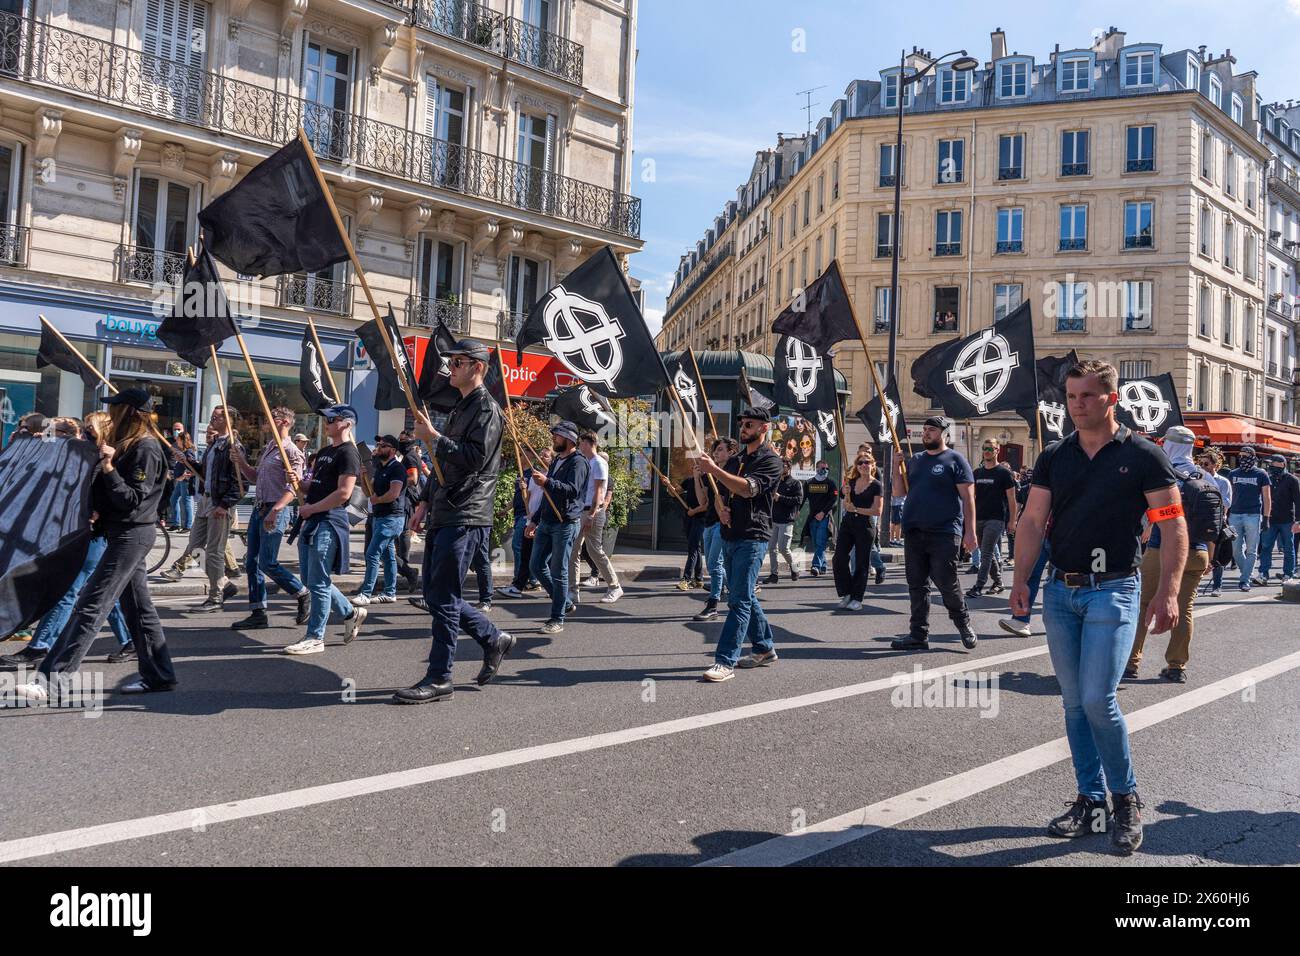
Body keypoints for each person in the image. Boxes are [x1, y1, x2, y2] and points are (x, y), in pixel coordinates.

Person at [1012, 359, 1186, 855]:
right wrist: (1021, 581)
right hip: (1061, 591)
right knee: (1072, 704)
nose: (1076, 405)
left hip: (1114, 588)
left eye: (1086, 396)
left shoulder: (1145, 455)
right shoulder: (1055, 456)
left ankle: (1125, 798)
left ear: (1111, 399)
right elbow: (1031, 521)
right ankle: (1089, 800)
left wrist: (1168, 591)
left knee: (1097, 699)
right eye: (1070, 397)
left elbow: (1172, 524)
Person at [16, 390, 176, 701]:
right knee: (139, 609)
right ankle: (159, 675)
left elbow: (132, 499)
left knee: (91, 604)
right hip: (120, 533)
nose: (109, 413)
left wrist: (109, 468)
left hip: (132, 535)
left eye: (114, 408)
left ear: (128, 411)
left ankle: (51, 681)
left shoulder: (145, 448)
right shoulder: (126, 445)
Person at [396, 339, 514, 703]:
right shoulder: (462, 406)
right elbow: (444, 463)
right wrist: (424, 502)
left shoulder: (486, 409)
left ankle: (440, 677)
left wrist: (434, 437)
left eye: (459, 362)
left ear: (478, 367)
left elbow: (474, 459)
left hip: (467, 513)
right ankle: (493, 637)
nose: (451, 368)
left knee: (444, 597)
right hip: (446, 508)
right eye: (451, 361)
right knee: (434, 594)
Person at [0, 413, 134, 670]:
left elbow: (110, 494)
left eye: (56, 432)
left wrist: (96, 510)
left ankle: (40, 646)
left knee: (68, 589)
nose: (49, 435)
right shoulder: (68, 458)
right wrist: (26, 444)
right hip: (74, 531)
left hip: (89, 533)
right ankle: (131, 639)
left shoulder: (96, 459)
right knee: (102, 591)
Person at [693, 407, 783, 681]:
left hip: (753, 537)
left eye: (750, 424)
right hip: (730, 534)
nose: (744, 428)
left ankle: (724, 661)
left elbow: (746, 488)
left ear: (764, 429)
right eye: (743, 423)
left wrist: (714, 469)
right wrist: (722, 509)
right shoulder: (737, 458)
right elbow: (724, 493)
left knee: (739, 600)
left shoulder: (771, 461)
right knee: (743, 596)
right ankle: (765, 647)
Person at [1124, 426, 1214, 684]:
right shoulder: (1205, 476)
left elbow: (1156, 510)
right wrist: (1210, 552)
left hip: (1163, 548)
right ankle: (1176, 666)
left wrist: (1152, 523)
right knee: (1184, 607)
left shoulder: (1161, 470)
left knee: (1142, 604)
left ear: (1168, 444)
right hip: (1198, 551)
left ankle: (1130, 663)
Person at [284, 404, 367, 655]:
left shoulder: (349, 453)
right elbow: (317, 485)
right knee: (311, 580)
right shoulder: (324, 452)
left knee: (318, 582)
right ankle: (350, 612)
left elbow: (343, 494)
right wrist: (300, 483)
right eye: (327, 418)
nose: (327, 422)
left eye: (333, 419)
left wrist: (312, 508)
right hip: (312, 519)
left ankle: (315, 637)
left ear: (347, 423)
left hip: (329, 521)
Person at [891, 416, 978, 651]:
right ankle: (918, 634)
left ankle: (964, 625)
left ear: (944, 433)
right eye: (925, 429)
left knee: (946, 583)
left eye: (932, 430)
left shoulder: (956, 460)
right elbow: (899, 492)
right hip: (915, 531)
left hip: (945, 531)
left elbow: (968, 500)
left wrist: (970, 532)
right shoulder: (916, 460)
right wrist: (895, 466)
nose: (927, 433)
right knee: (917, 585)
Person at [229, 406, 310, 630]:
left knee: (267, 562)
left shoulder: (291, 451)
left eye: (271, 418)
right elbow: (255, 477)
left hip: (275, 509)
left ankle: (301, 592)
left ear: (284, 422)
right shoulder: (270, 448)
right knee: (251, 563)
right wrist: (242, 463)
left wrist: (276, 510)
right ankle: (258, 611)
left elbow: (294, 487)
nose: (266, 421)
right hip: (259, 508)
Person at [159, 407, 241, 610]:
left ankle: (215, 597)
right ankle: (223, 583)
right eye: (213, 413)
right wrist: (187, 461)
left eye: (219, 415)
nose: (214, 417)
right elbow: (205, 473)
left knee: (214, 551)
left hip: (219, 503)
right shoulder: (214, 446)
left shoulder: (233, 446)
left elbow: (240, 483)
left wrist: (225, 505)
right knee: (195, 548)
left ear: (230, 419)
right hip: (205, 501)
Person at [527, 420, 589, 634]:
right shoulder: (556, 461)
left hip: (565, 523)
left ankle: (557, 618)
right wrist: (534, 519)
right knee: (535, 566)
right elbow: (548, 495)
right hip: (546, 521)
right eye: (555, 434)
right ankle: (564, 603)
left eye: (558, 435)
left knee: (559, 572)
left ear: (570, 439)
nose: (554, 437)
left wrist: (547, 482)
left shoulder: (578, 462)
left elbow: (573, 490)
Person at [351, 435, 408, 607]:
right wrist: (364, 477)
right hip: (379, 517)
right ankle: (390, 592)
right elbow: (369, 493)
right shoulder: (380, 469)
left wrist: (378, 499)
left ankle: (366, 593)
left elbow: (394, 493)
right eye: (378, 445)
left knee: (372, 553)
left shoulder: (397, 468)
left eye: (383, 445)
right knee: (388, 555)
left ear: (393, 450)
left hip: (392, 518)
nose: (379, 448)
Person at [832, 450, 883, 611]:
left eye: (867, 462)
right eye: (860, 463)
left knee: (861, 562)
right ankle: (847, 592)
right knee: (838, 558)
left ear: (873, 465)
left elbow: (877, 511)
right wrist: (844, 491)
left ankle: (857, 598)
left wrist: (856, 509)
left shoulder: (876, 485)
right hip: (848, 524)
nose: (863, 465)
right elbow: (842, 495)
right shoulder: (852, 481)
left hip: (865, 525)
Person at [967, 439, 1018, 598]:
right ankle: (998, 582)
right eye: (985, 448)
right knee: (985, 551)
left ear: (997, 450)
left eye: (990, 448)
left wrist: (1012, 521)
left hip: (996, 519)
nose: (987, 451)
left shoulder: (1004, 473)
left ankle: (978, 585)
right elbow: (971, 497)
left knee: (986, 553)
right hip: (979, 518)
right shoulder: (977, 473)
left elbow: (1012, 499)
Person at [692, 437, 734, 622]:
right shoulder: (711, 475)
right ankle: (735, 586)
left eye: (721, 449)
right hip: (708, 523)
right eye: (715, 450)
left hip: (721, 524)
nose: (716, 453)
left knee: (715, 565)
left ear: (731, 452)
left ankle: (713, 605)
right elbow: (703, 501)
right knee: (712, 564)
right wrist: (696, 478)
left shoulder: (732, 474)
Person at [500, 446, 551, 598]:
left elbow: (549, 497)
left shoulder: (550, 476)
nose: (541, 456)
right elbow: (526, 498)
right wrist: (524, 490)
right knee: (526, 552)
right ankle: (519, 585)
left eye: (546, 455)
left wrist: (533, 518)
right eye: (541, 454)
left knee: (535, 554)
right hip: (530, 518)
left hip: (540, 519)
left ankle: (541, 584)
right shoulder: (535, 475)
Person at [1226, 445, 1272, 592]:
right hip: (1235, 514)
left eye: (1245, 455)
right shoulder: (1233, 474)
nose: (1242, 458)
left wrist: (1266, 518)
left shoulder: (1261, 474)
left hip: (1253, 515)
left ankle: (1244, 580)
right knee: (1235, 550)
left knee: (1251, 550)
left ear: (1252, 456)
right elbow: (1229, 495)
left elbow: (1267, 497)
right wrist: (1226, 514)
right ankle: (1248, 573)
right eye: (1241, 456)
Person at [1256, 453, 1299, 584]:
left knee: (1288, 548)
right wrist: (1264, 518)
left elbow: (1298, 501)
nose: (1272, 467)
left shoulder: (1292, 480)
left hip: (1287, 520)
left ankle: (1288, 574)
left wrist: (1298, 520)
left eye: (1275, 464)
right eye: (1271, 464)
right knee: (1266, 547)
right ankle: (1263, 574)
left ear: (1283, 465)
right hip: (1270, 519)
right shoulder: (1268, 479)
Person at [1197, 448, 1233, 596]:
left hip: (1216, 520)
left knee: (1216, 555)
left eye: (1206, 464)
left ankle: (1217, 586)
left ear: (1214, 465)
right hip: (1198, 520)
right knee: (1198, 551)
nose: (1203, 467)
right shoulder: (1197, 478)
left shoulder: (1223, 482)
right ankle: (1195, 584)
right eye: (1200, 464)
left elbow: (1226, 502)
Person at [766, 459, 803, 583]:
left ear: (789, 467)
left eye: (784, 466)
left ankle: (794, 568)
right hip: (774, 519)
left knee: (783, 548)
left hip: (786, 520)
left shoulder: (795, 483)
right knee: (772, 548)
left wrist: (780, 498)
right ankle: (773, 574)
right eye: (779, 466)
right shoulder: (775, 482)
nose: (781, 468)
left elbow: (798, 500)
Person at [802, 460, 837, 576]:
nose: (825, 471)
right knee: (816, 543)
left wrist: (823, 512)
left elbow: (833, 500)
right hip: (812, 517)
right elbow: (802, 499)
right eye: (822, 468)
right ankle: (823, 565)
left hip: (825, 517)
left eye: (827, 469)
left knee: (821, 542)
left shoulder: (831, 483)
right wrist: (796, 511)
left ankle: (815, 566)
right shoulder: (809, 483)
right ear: (816, 469)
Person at [679, 470, 708, 590]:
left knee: (693, 547)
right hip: (689, 517)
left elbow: (706, 504)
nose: (697, 467)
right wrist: (668, 484)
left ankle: (686, 579)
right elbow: (675, 492)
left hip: (700, 518)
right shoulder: (689, 480)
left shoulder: (707, 480)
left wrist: (694, 511)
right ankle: (699, 579)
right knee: (696, 547)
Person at [167, 431, 197, 532]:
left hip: (185, 481)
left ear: (183, 440)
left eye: (179, 439)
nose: (177, 441)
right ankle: (176, 523)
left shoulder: (188, 452)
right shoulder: (183, 451)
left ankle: (188, 526)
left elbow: (192, 465)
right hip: (180, 481)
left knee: (186, 502)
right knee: (173, 499)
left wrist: (185, 475)